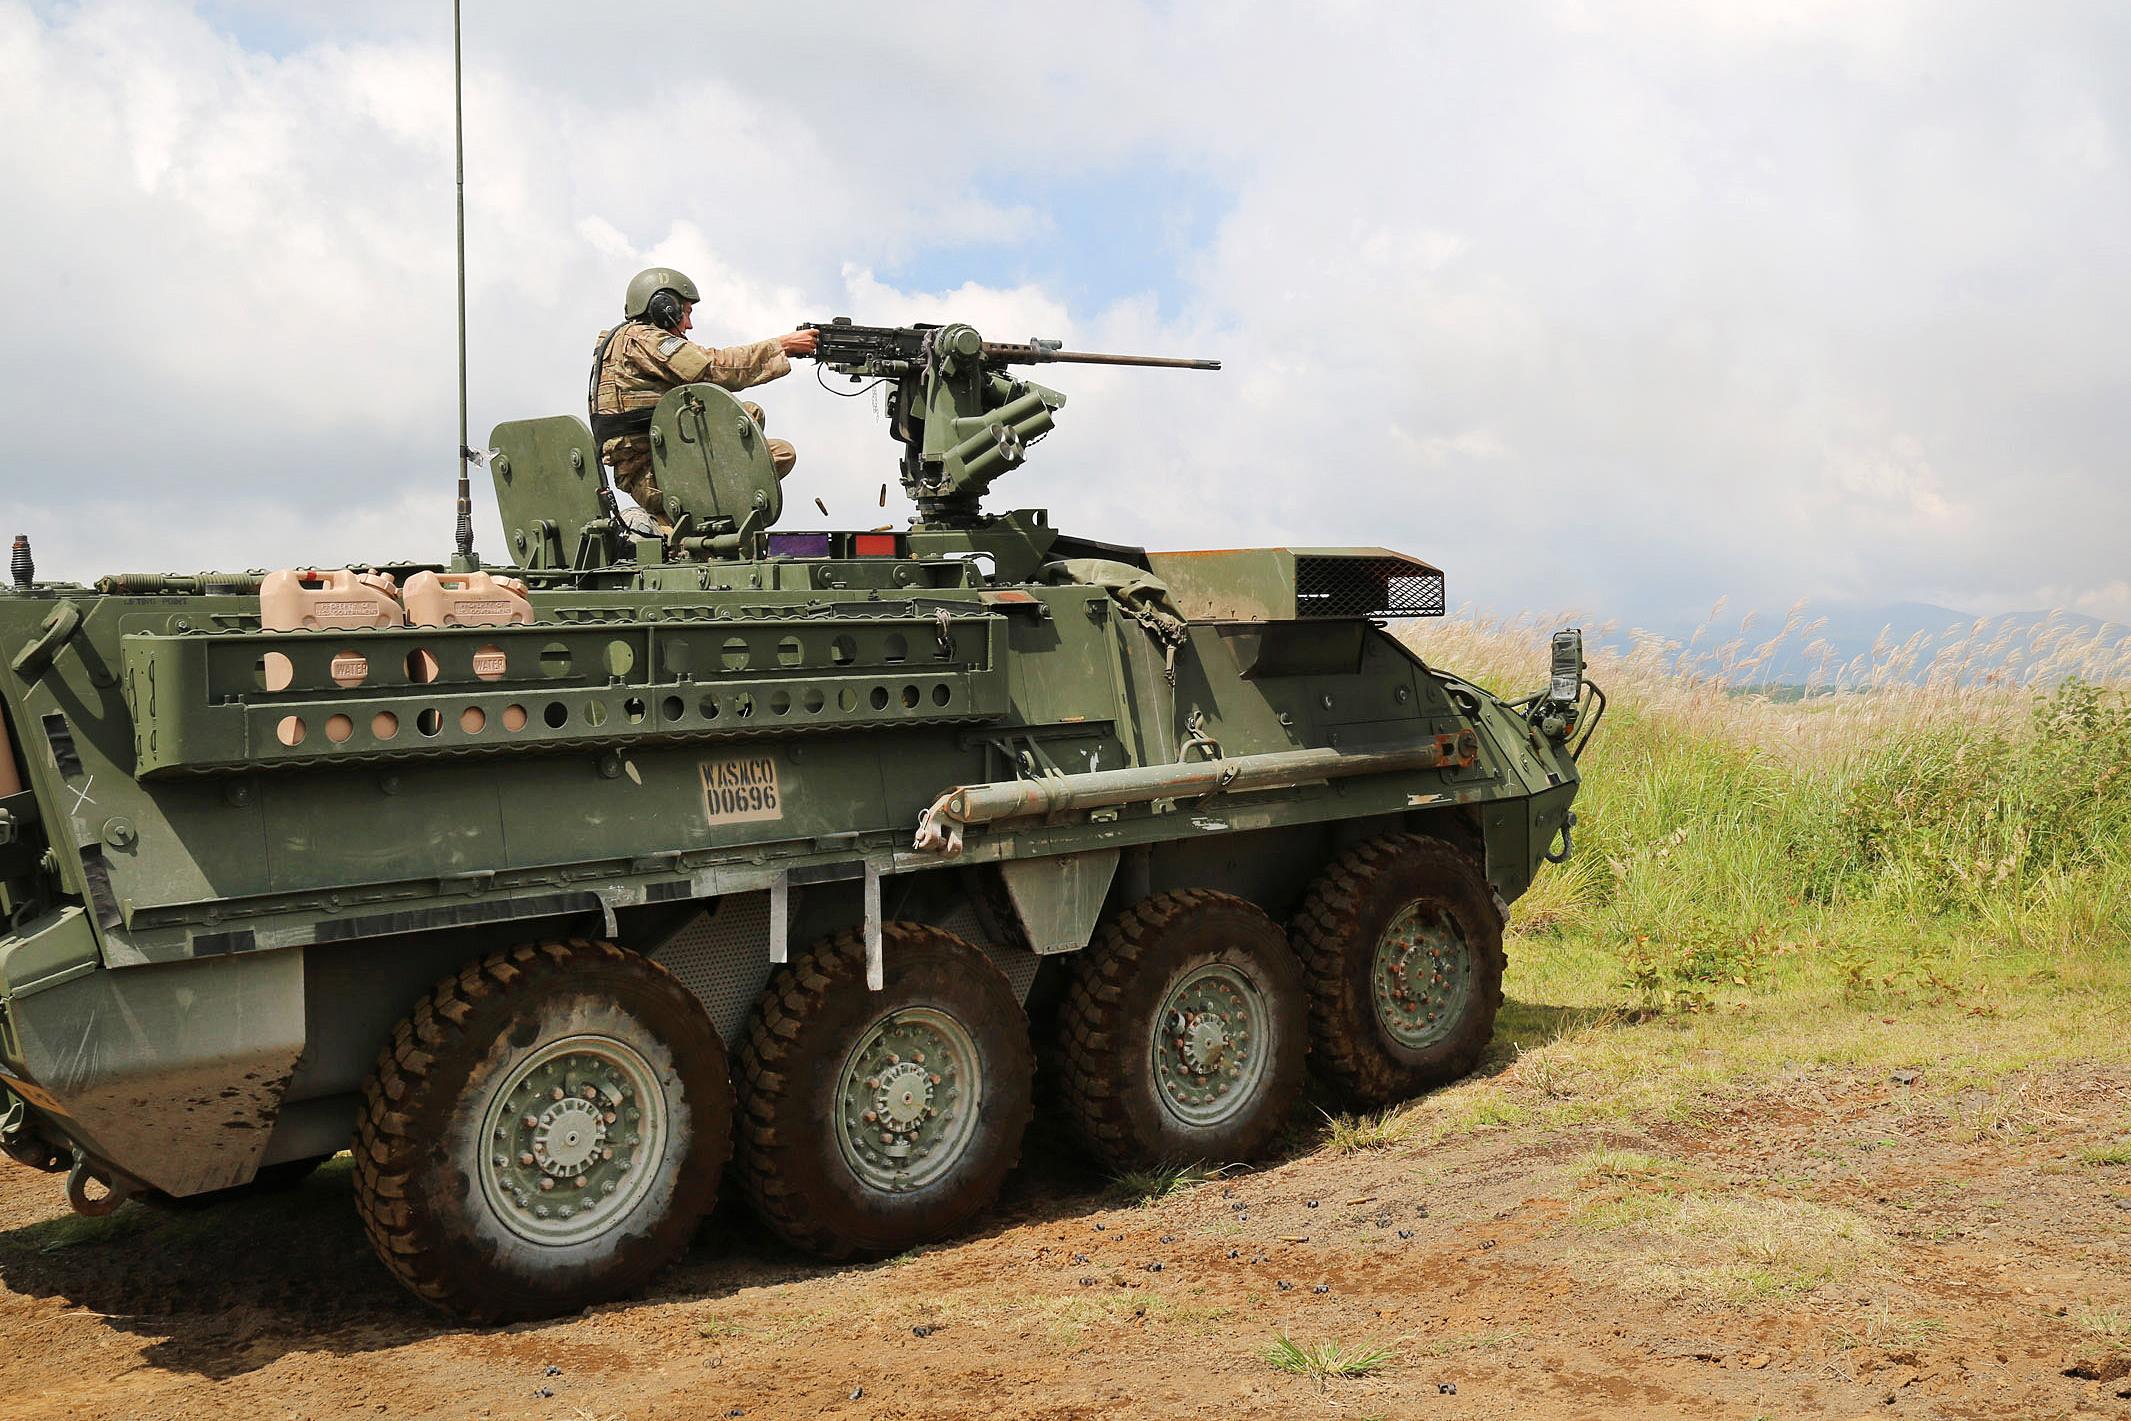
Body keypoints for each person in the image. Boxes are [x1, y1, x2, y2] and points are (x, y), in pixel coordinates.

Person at [588, 267, 817, 529]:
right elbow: (713, 368)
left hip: (653, 466)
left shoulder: (623, 343)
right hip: (656, 477)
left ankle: (675, 525)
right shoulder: (643, 340)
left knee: (758, 427)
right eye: (685, 313)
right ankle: (684, 526)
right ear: (665, 308)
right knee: (770, 443)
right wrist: (782, 346)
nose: (689, 324)